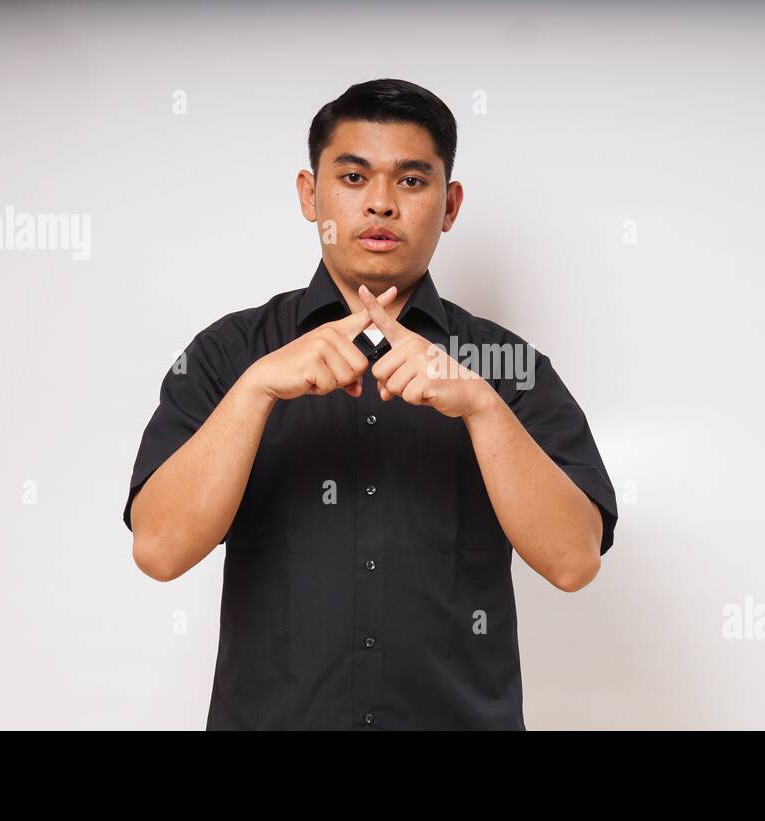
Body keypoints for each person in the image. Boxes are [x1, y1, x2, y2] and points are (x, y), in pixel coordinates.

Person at [123, 78, 618, 730]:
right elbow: (159, 550)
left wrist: (482, 407)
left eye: (412, 181)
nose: (381, 203)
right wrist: (257, 390)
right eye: (354, 178)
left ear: (450, 204)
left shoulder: (509, 368)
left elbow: (574, 560)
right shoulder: (229, 355)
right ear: (310, 194)